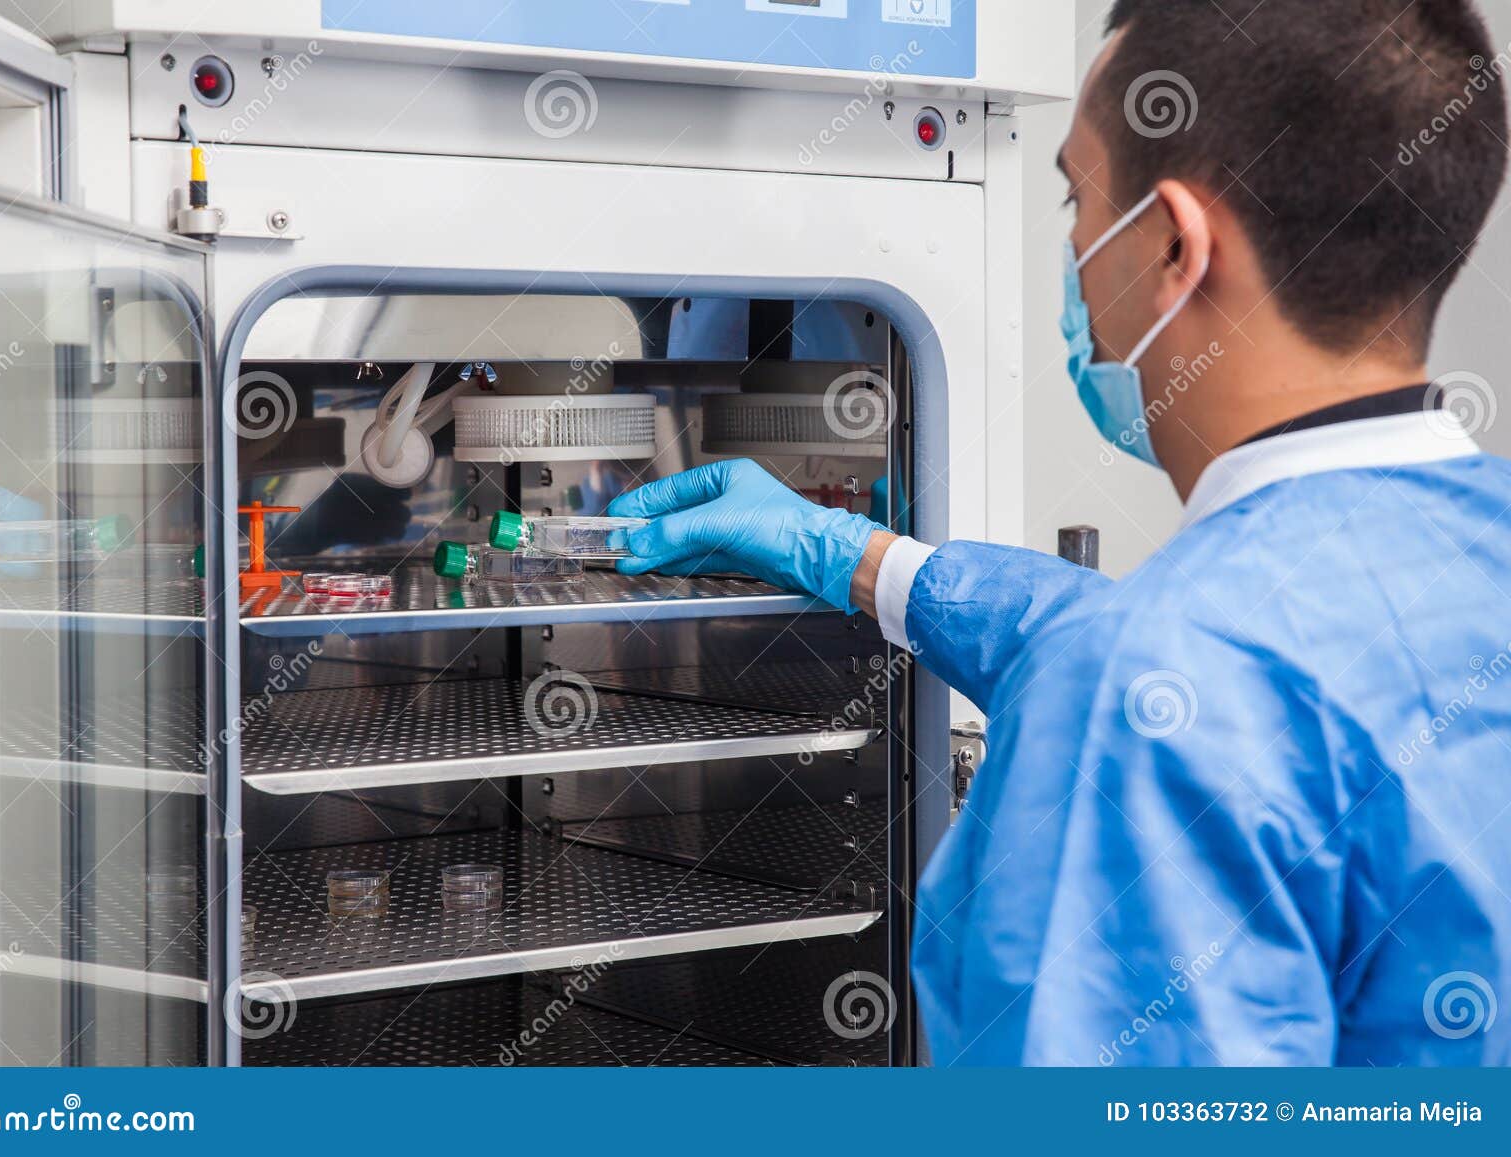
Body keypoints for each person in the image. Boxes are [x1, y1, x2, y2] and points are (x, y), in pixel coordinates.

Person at [610, 0, 1511, 1065]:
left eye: (1079, 199)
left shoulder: (1147, 690)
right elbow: (1221, 664)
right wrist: (847, 552)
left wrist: (1107, 673)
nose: (1077, 249)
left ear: (1174, 242)